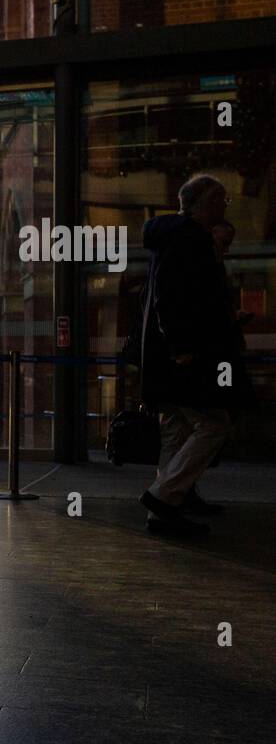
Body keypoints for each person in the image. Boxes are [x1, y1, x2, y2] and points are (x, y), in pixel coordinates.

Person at [138, 175, 250, 536]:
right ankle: (163, 496)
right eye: (220, 199)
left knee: (175, 429)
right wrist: (181, 347)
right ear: (203, 202)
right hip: (182, 357)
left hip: (165, 356)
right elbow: (170, 298)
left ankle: (163, 513)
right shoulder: (190, 239)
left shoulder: (170, 237)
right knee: (214, 424)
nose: (224, 206)